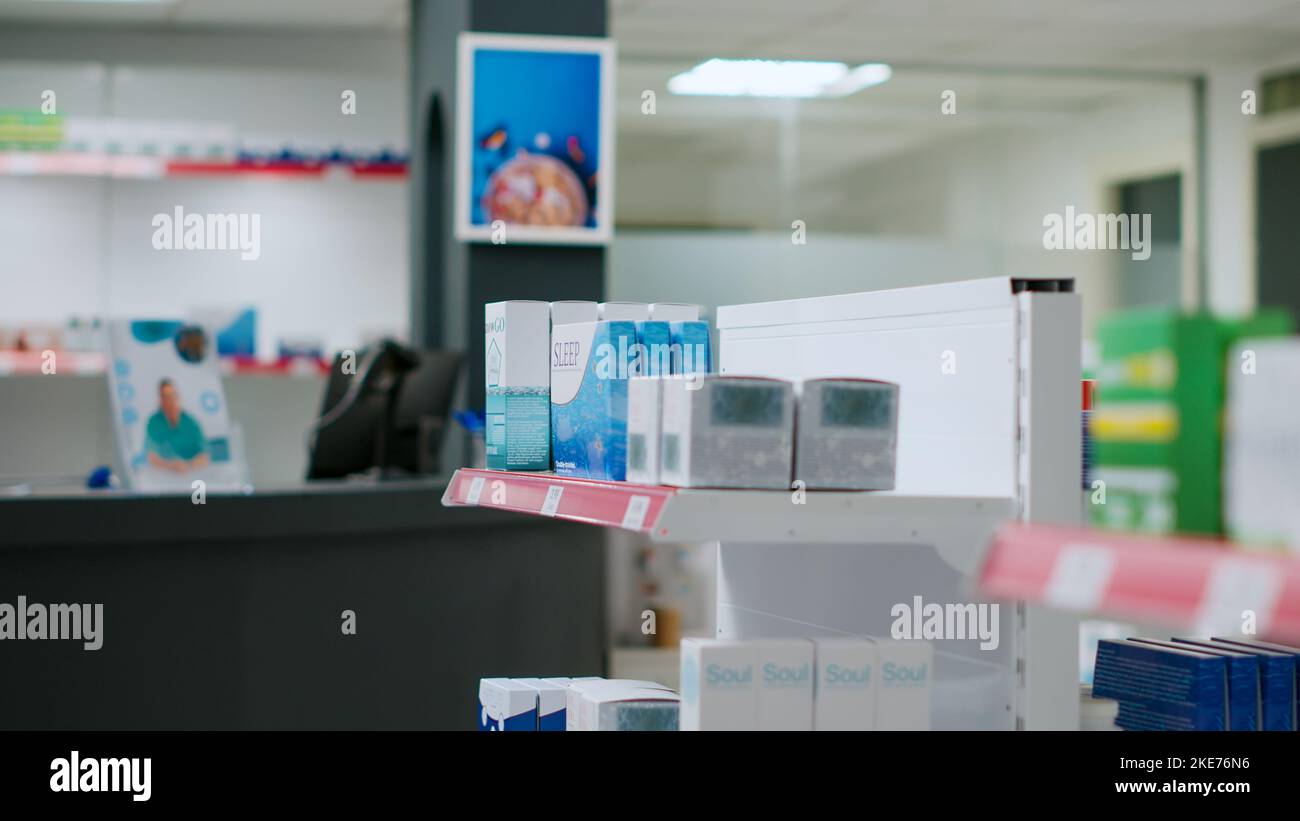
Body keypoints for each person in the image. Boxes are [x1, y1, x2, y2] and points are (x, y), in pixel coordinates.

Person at [145, 378, 209, 472]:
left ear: (177, 397)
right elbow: (151, 457)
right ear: (160, 399)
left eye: (171, 396)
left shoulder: (190, 423)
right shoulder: (154, 423)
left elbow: (204, 456)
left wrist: (188, 466)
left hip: (192, 474)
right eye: (164, 397)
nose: (168, 401)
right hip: (164, 475)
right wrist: (170, 466)